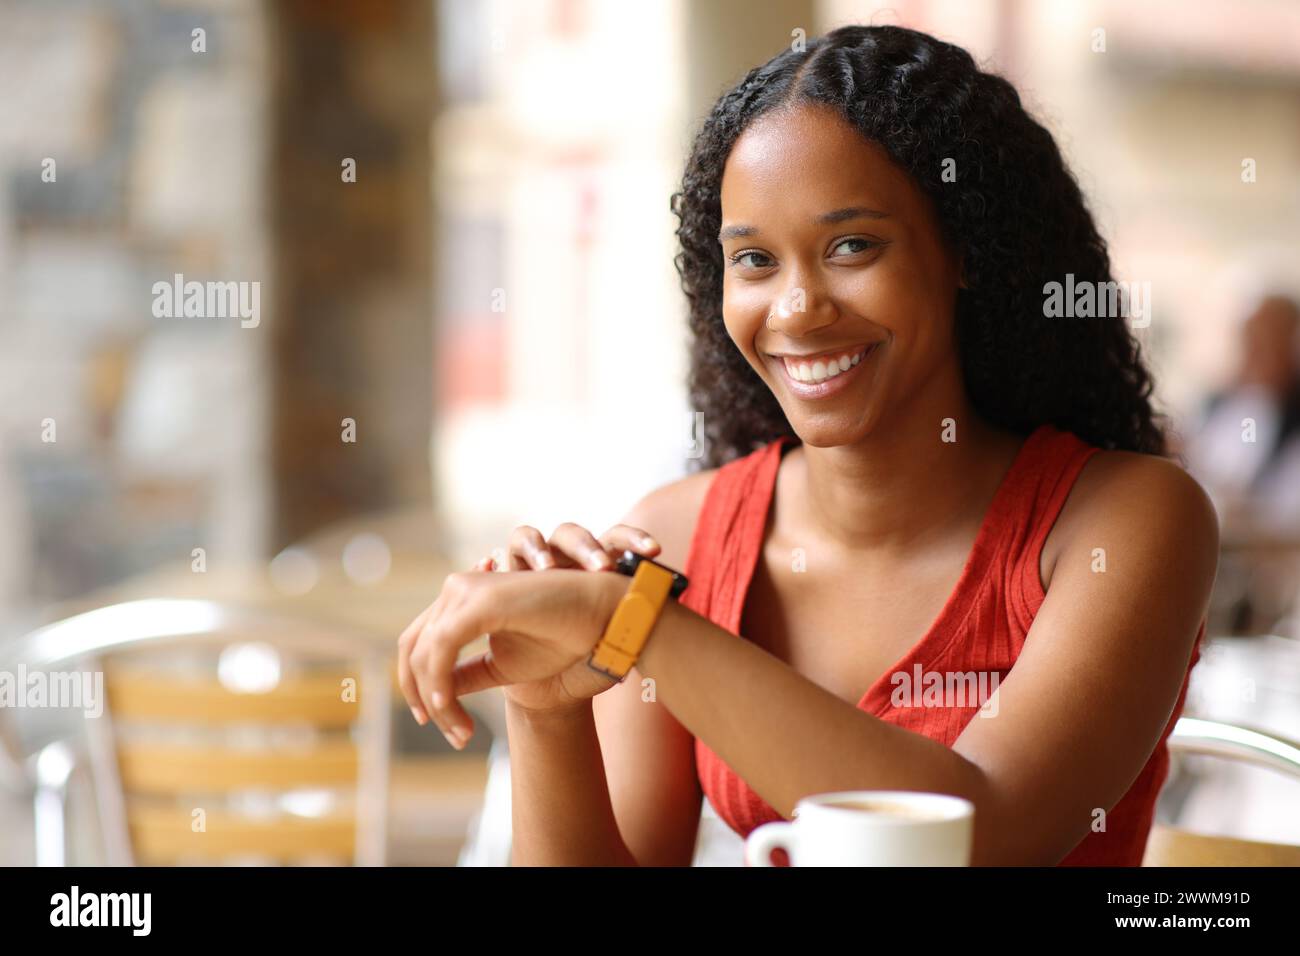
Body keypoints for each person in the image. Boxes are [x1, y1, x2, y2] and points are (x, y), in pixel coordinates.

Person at [397, 25, 1218, 866]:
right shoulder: (677, 539)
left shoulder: (1127, 519)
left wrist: (632, 623)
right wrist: (547, 706)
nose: (794, 310)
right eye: (753, 260)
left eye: (852, 246)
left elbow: (983, 833)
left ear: (964, 249)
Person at [1181, 294, 1300, 535]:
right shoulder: (1220, 406)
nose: (1254, 352)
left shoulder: (1288, 421)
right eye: (1250, 340)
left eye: (1268, 341)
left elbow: (1284, 518)